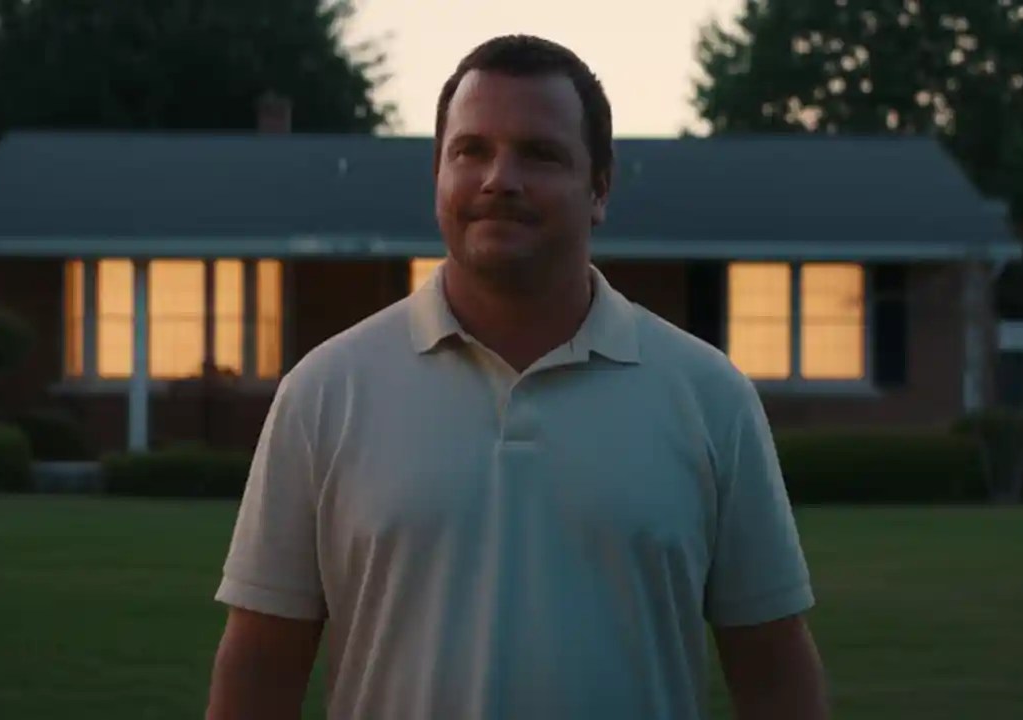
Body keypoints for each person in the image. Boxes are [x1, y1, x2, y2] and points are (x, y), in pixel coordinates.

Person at [206, 34, 828, 720]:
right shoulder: (326, 392)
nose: (499, 178)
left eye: (540, 153)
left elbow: (772, 666)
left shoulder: (709, 397)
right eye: (470, 150)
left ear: (600, 187)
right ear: (437, 177)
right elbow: (262, 664)